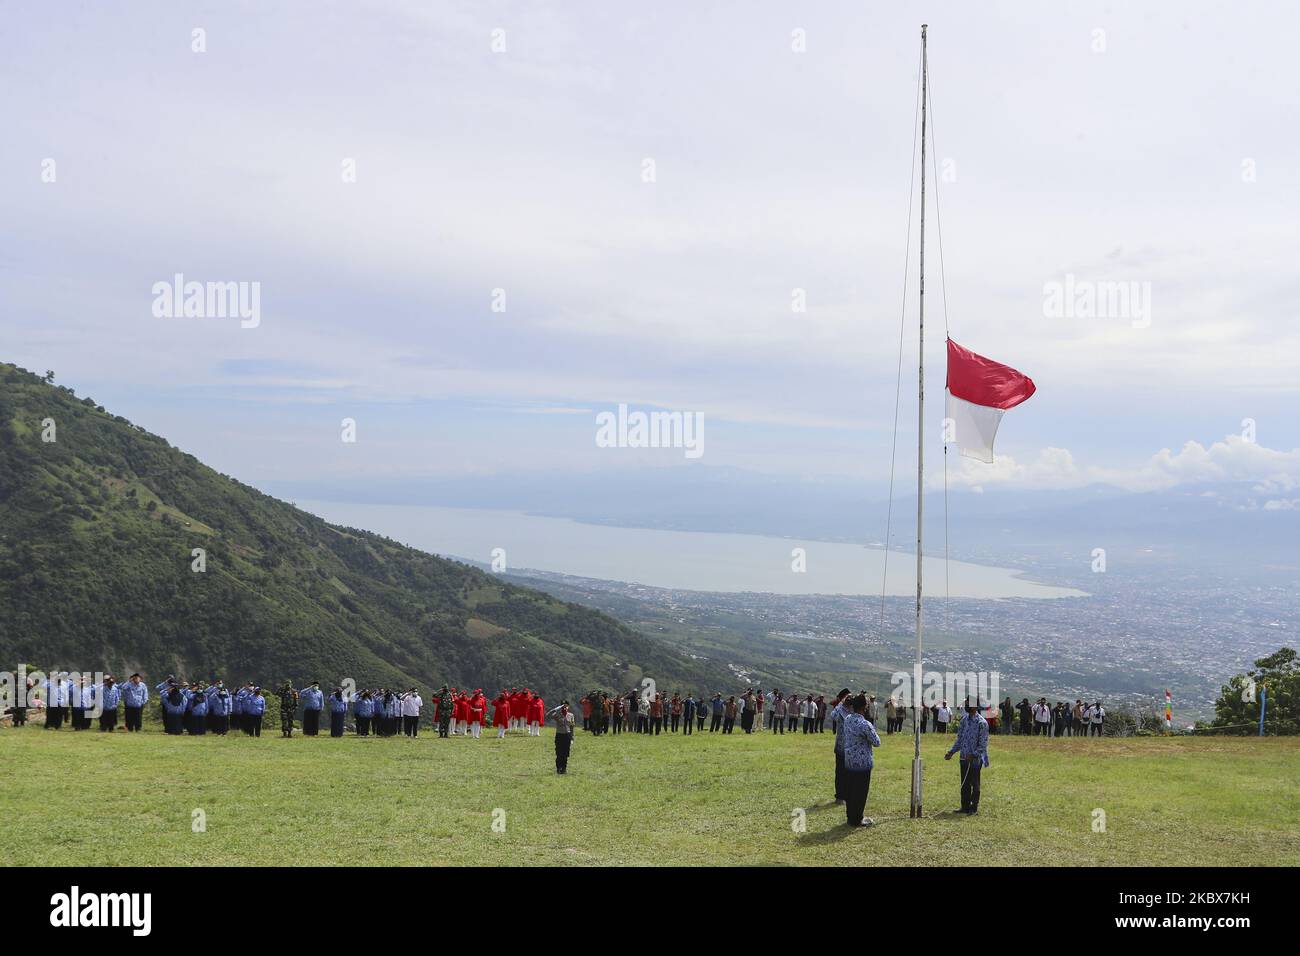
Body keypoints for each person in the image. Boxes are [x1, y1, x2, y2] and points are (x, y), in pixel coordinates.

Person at [841, 694, 881, 827]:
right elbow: (877, 742)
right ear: (865, 707)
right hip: (862, 763)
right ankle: (857, 819)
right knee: (860, 792)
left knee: (851, 789)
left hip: (849, 760)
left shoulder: (847, 719)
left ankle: (850, 816)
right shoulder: (865, 724)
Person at [945, 701, 990, 815]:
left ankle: (973, 808)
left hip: (975, 760)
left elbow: (983, 744)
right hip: (964, 758)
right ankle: (964, 807)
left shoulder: (982, 723)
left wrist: (974, 754)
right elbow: (960, 740)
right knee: (964, 783)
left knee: (974, 783)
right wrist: (951, 752)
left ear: (975, 706)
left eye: (969, 704)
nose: (966, 706)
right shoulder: (964, 721)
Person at [828, 689, 852, 803]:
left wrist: (841, 704)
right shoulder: (844, 711)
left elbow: (833, 715)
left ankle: (844, 795)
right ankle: (841, 796)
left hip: (847, 747)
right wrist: (841, 704)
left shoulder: (851, 712)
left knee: (845, 772)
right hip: (844, 747)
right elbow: (833, 716)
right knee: (842, 772)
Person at [550, 701, 575, 773]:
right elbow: (550, 715)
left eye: (566, 706)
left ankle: (564, 768)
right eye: (563, 706)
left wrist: (572, 736)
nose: (565, 707)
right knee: (559, 753)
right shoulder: (557, 714)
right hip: (559, 735)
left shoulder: (571, 715)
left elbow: (572, 727)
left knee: (565, 753)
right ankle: (558, 768)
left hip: (567, 735)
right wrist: (558, 709)